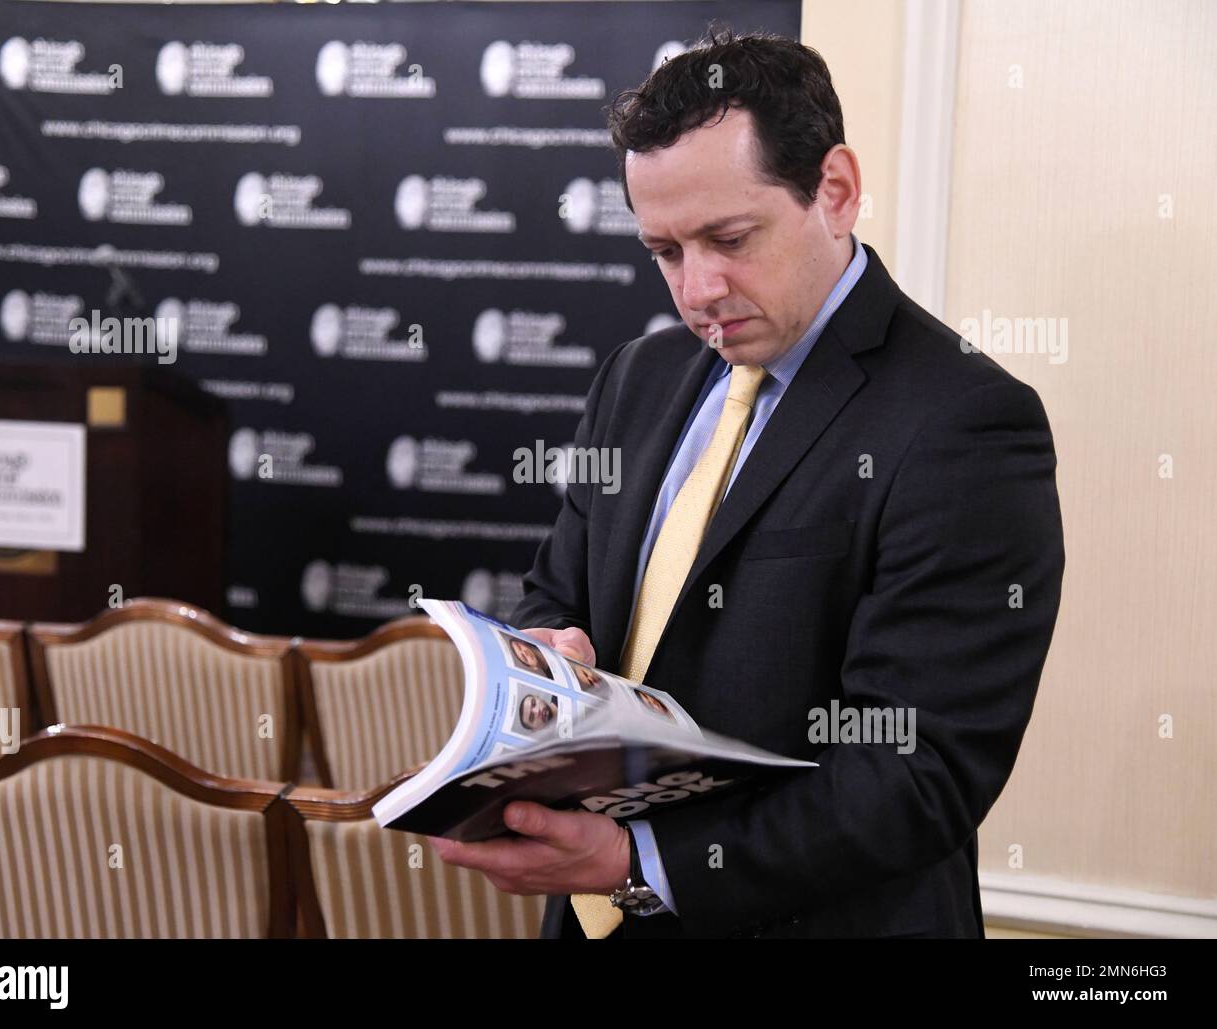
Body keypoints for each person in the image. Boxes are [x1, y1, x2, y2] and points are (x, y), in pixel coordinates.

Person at [429, 28, 1064, 939]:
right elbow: (557, 590)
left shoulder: (965, 421)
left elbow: (917, 770)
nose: (698, 290)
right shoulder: (636, 378)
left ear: (835, 191)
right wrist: (546, 648)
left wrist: (639, 860)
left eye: (730, 238)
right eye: (665, 252)